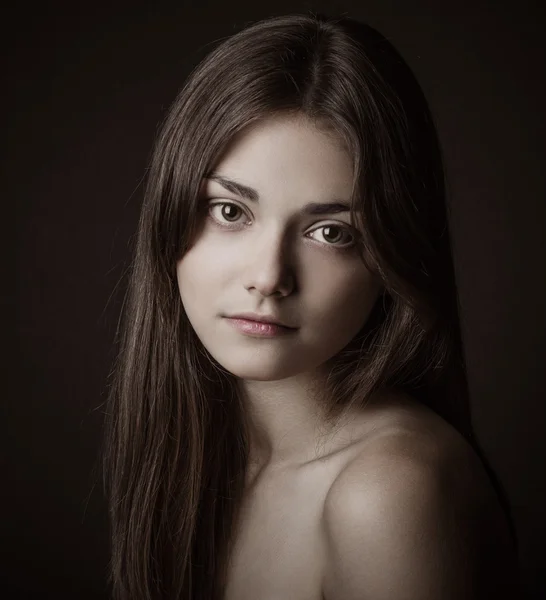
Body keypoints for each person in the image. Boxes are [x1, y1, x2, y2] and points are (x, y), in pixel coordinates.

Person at [102, 11, 521, 600]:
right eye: (230, 212)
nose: (269, 277)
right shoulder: (200, 461)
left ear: (391, 260)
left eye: (330, 233)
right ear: (169, 222)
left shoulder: (386, 493)